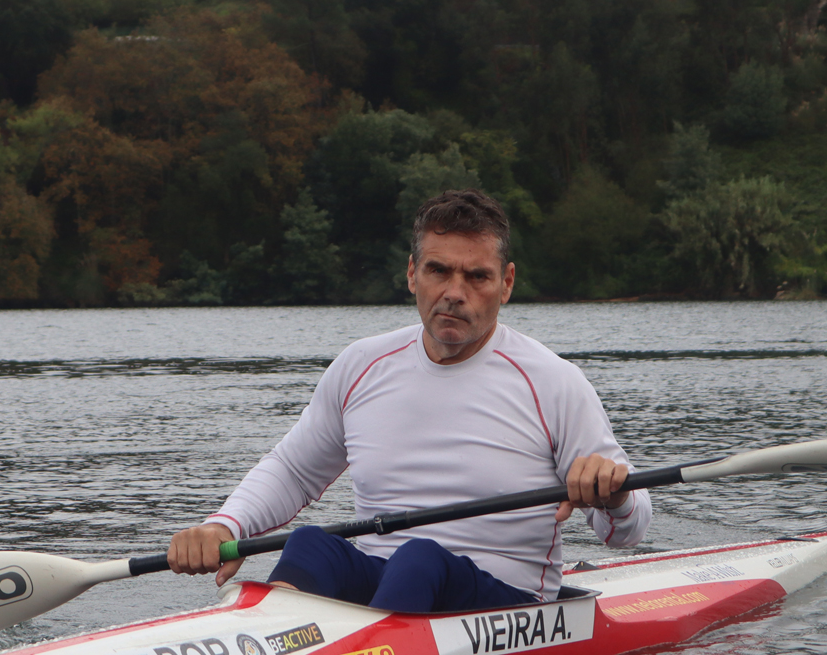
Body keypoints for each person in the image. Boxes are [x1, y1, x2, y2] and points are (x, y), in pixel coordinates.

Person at [167, 189, 649, 611]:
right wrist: (224, 526)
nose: (454, 293)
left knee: (419, 558)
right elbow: (293, 471)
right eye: (439, 271)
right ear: (413, 273)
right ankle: (274, 654)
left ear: (506, 283)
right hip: (388, 586)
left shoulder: (554, 382)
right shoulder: (361, 366)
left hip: (508, 603)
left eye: (477, 277)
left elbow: (627, 532)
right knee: (312, 544)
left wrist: (616, 493)